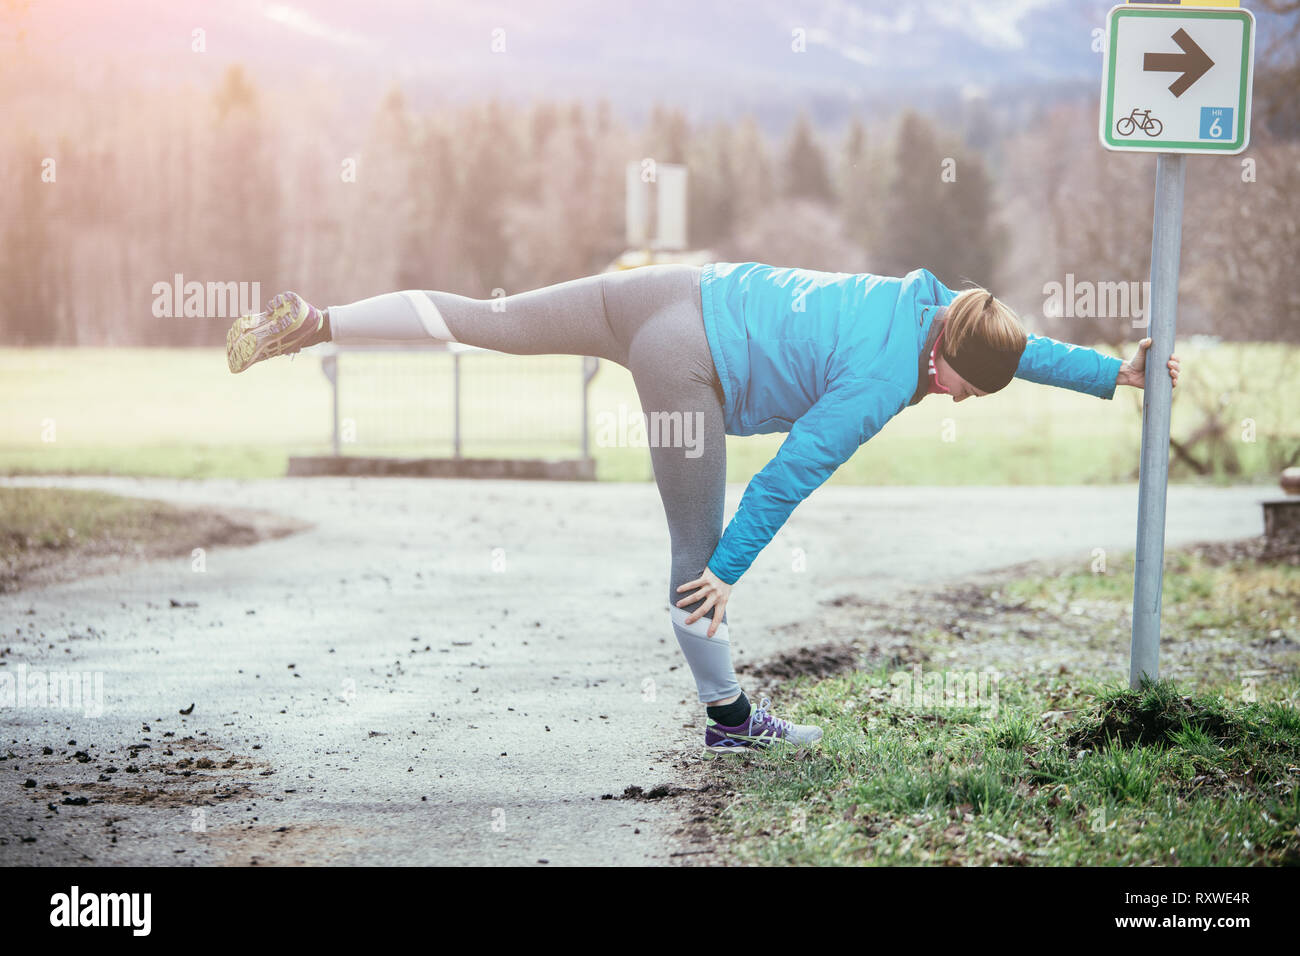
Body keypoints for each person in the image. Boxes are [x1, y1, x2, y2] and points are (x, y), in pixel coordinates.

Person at [226, 262, 1181, 753]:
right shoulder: (881, 385)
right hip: (688, 368)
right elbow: (787, 477)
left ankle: (318, 323)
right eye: (966, 391)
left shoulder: (932, 301)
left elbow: (1011, 350)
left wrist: (1113, 375)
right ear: (940, 365)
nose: (965, 402)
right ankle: (730, 719)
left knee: (491, 321)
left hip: (665, 291)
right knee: (695, 554)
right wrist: (729, 569)